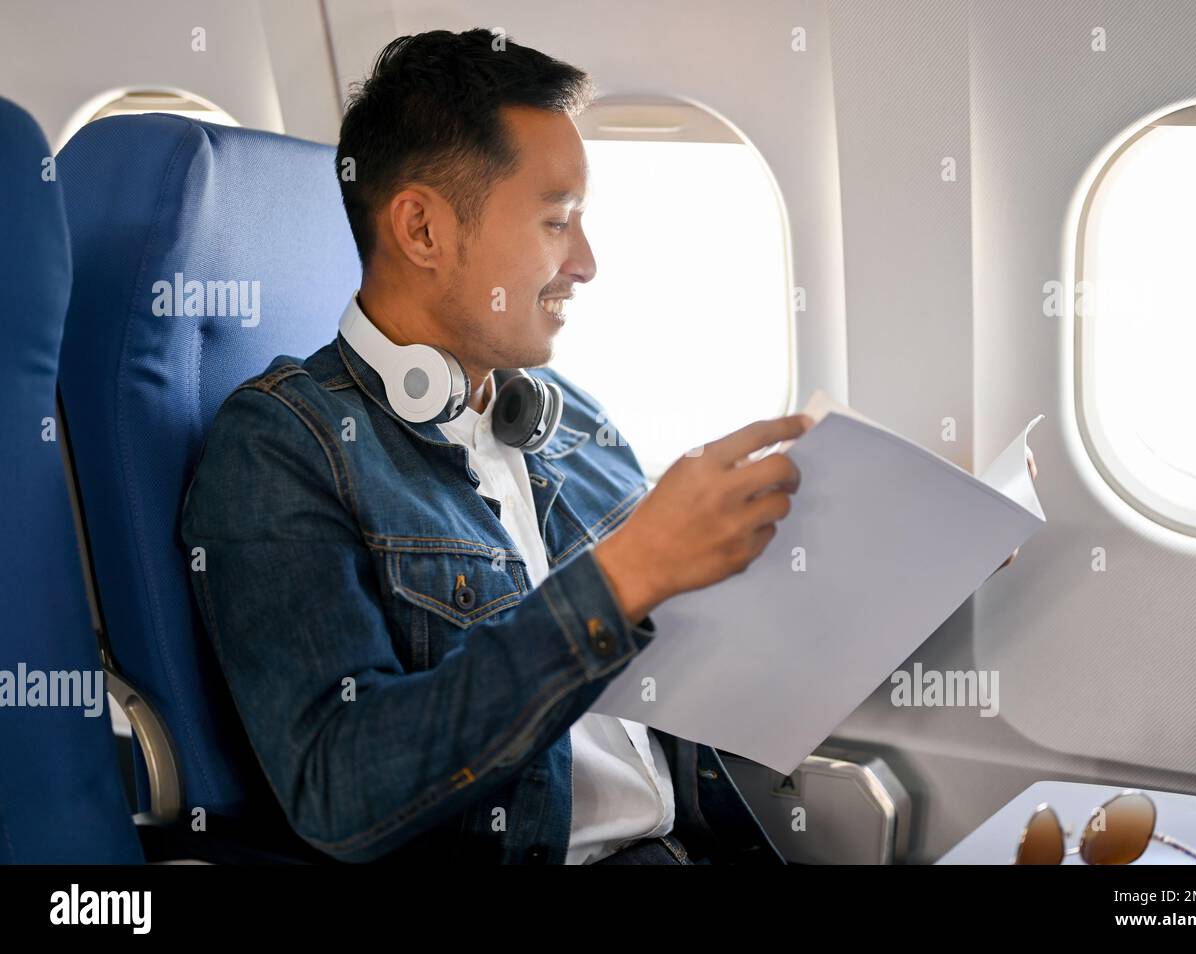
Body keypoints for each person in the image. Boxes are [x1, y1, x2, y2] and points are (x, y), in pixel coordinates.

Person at [181, 27, 811, 865]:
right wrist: (624, 578)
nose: (586, 263)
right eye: (558, 222)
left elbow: (700, 656)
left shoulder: (566, 418)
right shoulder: (283, 449)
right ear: (423, 230)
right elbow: (341, 787)